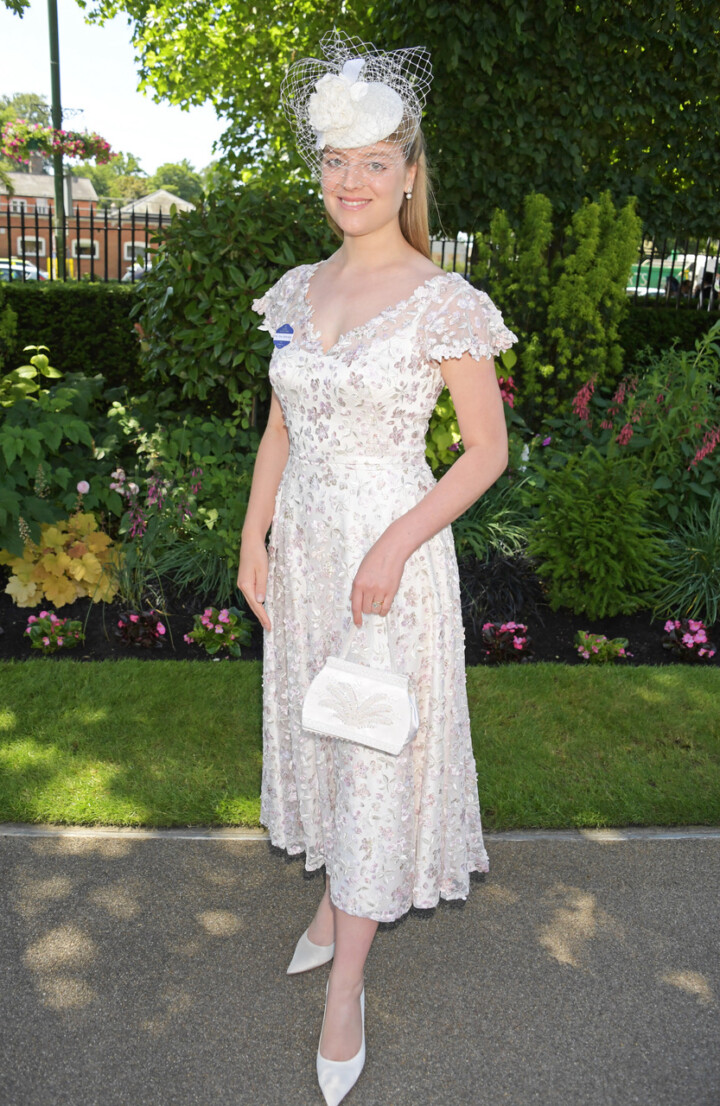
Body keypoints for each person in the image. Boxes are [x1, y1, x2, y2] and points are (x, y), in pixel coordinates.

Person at [236, 31, 517, 1106]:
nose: (350, 182)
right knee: (322, 734)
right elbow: (279, 425)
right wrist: (253, 533)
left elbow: (487, 451)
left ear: (408, 171)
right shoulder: (297, 288)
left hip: (386, 562)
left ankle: (346, 981)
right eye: (334, 162)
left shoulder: (442, 298)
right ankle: (329, 902)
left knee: (370, 743)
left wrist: (397, 541)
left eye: (373, 162)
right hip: (305, 550)